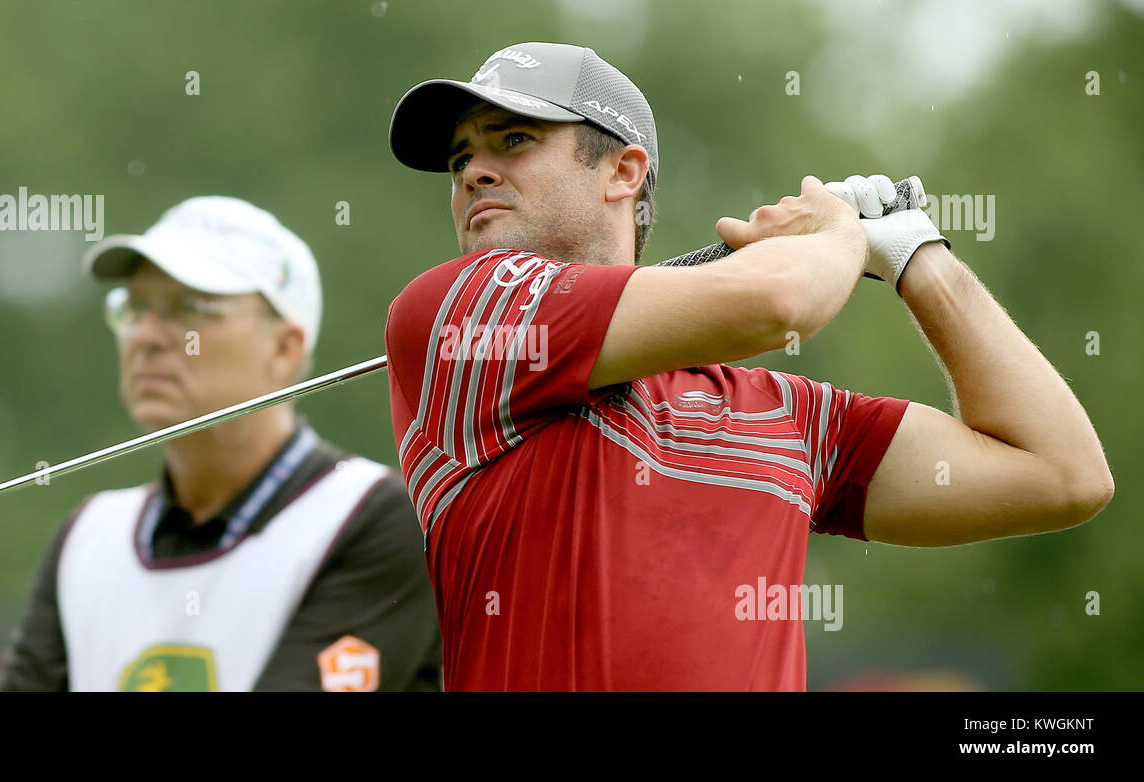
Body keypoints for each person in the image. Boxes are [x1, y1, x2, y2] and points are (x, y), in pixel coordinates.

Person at [382, 42, 1114, 691]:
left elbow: (1062, 474)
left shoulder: (790, 418)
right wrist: (838, 233)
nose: (474, 171)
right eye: (459, 159)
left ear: (622, 172)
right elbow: (782, 302)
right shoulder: (460, 316)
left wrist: (916, 255)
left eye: (511, 140)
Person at [0, 196, 441, 691]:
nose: (145, 335)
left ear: (284, 347)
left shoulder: (376, 520)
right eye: (135, 306)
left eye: (189, 308)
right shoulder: (86, 536)